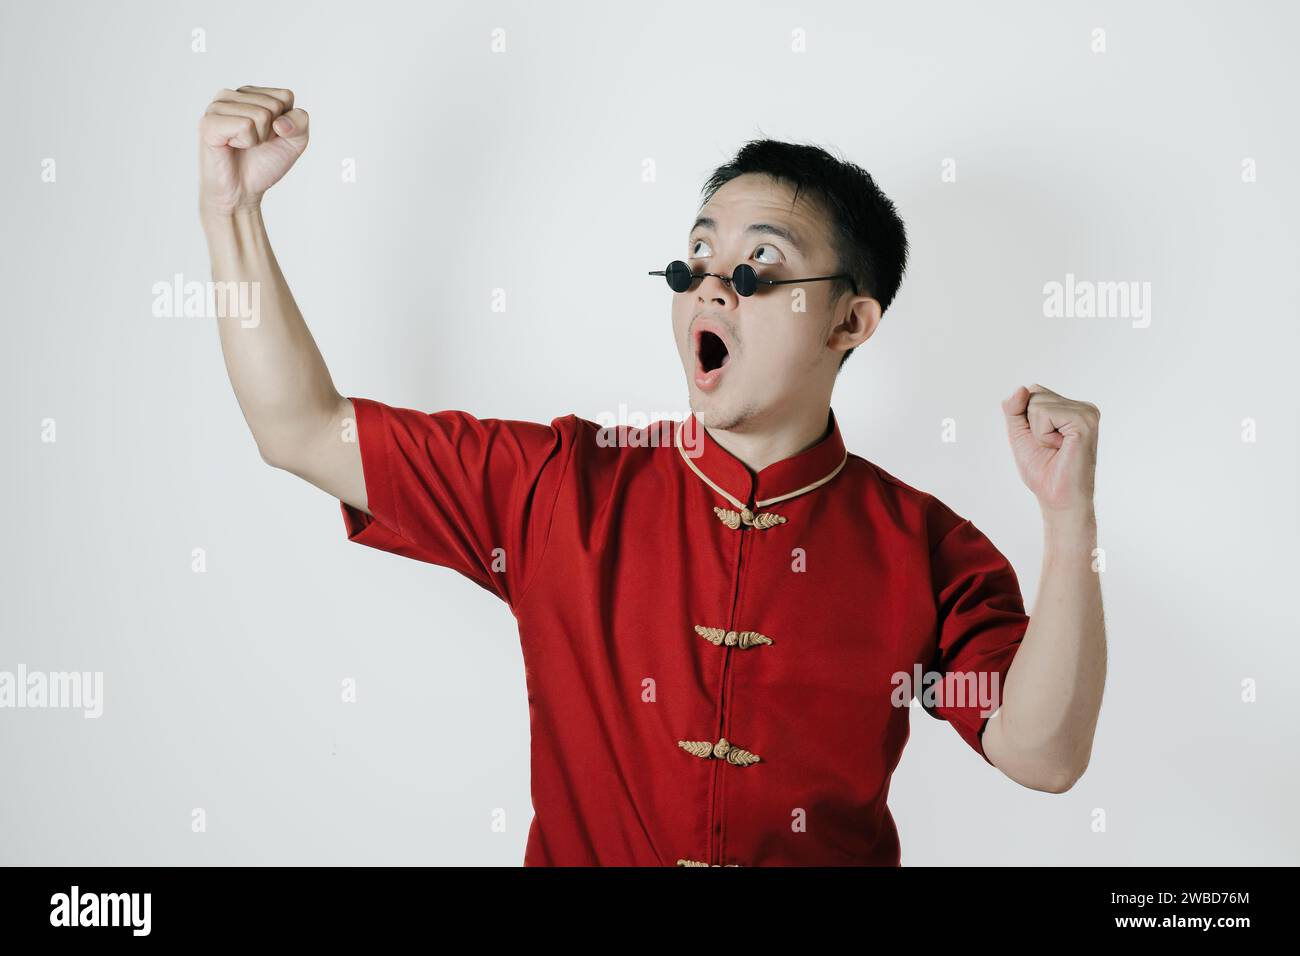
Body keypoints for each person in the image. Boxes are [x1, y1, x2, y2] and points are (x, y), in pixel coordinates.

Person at [198, 85, 1107, 866]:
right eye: (698, 257)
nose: (712, 284)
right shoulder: (561, 485)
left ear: (849, 322)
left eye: (758, 266)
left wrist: (1069, 523)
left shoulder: (924, 547)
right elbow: (302, 429)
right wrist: (231, 214)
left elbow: (1043, 753)